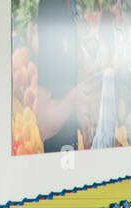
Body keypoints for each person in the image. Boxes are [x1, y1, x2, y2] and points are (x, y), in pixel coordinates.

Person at [34, 0, 97, 152]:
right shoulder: (51, 10)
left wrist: (80, 116)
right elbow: (43, 125)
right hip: (56, 152)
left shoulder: (69, 7)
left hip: (71, 144)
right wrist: (72, 100)